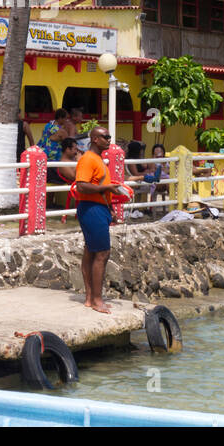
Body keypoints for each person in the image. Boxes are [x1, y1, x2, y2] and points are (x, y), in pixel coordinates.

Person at [73, 126, 120, 314]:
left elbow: (99, 186)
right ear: (94, 139)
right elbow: (82, 186)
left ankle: (90, 297)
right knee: (102, 253)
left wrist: (110, 207)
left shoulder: (99, 159)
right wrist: (107, 188)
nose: (109, 140)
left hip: (100, 208)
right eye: (105, 137)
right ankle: (96, 300)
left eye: (109, 137)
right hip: (91, 209)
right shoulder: (87, 159)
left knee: (91, 251)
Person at [46, 138, 80, 206]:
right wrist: (80, 161)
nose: (77, 152)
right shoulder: (63, 164)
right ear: (68, 149)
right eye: (75, 149)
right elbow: (75, 178)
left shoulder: (72, 160)